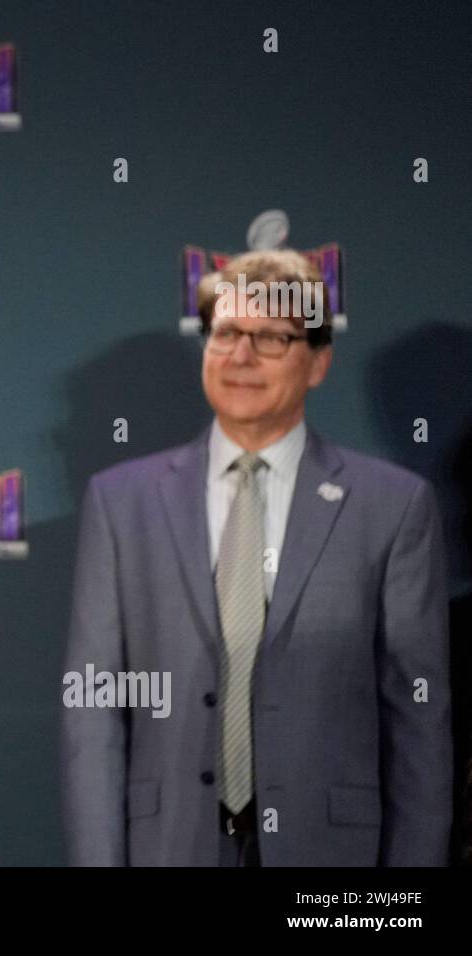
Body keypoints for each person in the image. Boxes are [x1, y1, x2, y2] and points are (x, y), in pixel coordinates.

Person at [61, 248, 451, 866]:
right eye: (227, 334)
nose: (241, 356)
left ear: (318, 360)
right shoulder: (121, 503)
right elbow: (94, 716)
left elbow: (418, 723)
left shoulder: (394, 508)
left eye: (270, 338)